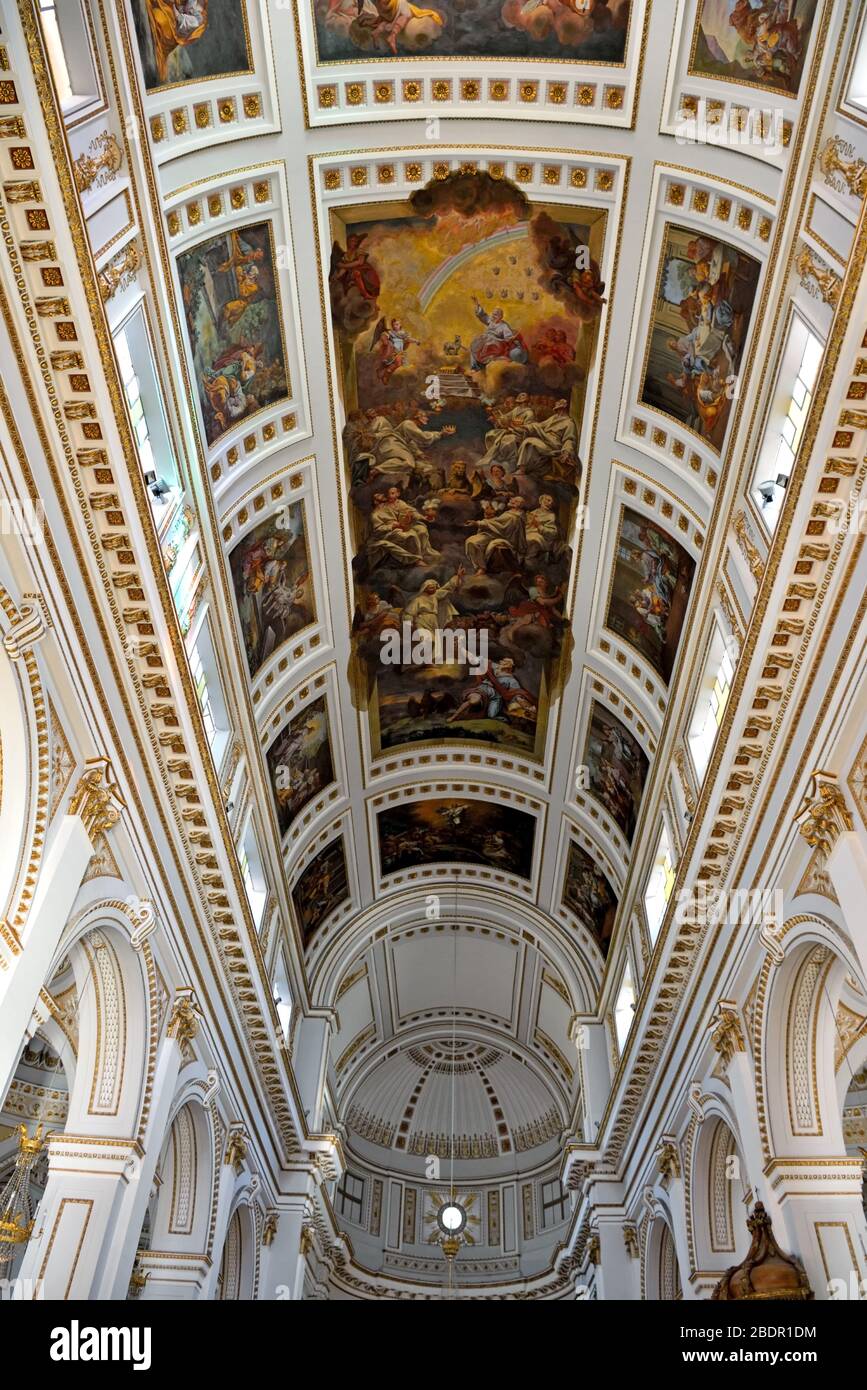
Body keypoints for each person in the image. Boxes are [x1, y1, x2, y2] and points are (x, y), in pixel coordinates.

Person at [368, 486, 441, 567]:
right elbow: (378, 529)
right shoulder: (377, 513)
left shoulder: (400, 503)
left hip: (404, 526)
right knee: (411, 535)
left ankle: (424, 554)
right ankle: (416, 560)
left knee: (422, 530)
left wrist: (423, 517)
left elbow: (412, 512)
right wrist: (392, 526)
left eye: (392, 494)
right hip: (390, 533)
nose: (389, 496)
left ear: (397, 494)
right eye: (388, 495)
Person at [516, 399, 579, 480]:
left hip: (554, 445)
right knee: (530, 444)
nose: (558, 411)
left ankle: (522, 469)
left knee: (529, 441)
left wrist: (567, 451)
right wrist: (526, 427)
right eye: (557, 409)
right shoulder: (554, 418)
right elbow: (540, 425)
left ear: (563, 408)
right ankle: (530, 469)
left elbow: (569, 439)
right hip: (545, 439)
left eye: (559, 409)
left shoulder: (569, 423)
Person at [464, 497, 527, 573]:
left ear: (518, 504)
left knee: (473, 542)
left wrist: (477, 523)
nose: (511, 499)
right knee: (470, 541)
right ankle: (479, 567)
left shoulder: (513, 516)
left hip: (499, 535)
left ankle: (481, 567)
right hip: (494, 532)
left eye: (514, 500)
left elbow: (499, 525)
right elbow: (497, 522)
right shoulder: (511, 513)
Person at [469, 300, 529, 370]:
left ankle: (485, 366)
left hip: (496, 344)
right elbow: (483, 316)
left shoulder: (504, 326)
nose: (493, 316)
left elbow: (508, 338)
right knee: (474, 346)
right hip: (485, 340)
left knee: (486, 348)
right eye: (493, 314)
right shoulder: (491, 321)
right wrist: (477, 305)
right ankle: (474, 366)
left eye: (495, 315)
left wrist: (513, 339)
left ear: (500, 316)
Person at [402, 568, 465, 635]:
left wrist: (457, 576)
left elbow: (448, 587)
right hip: (422, 621)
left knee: (436, 641)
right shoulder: (418, 600)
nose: (434, 589)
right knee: (426, 639)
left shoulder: (435, 596)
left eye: (435, 587)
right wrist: (409, 624)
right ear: (425, 588)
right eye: (431, 587)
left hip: (434, 621)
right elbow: (409, 613)